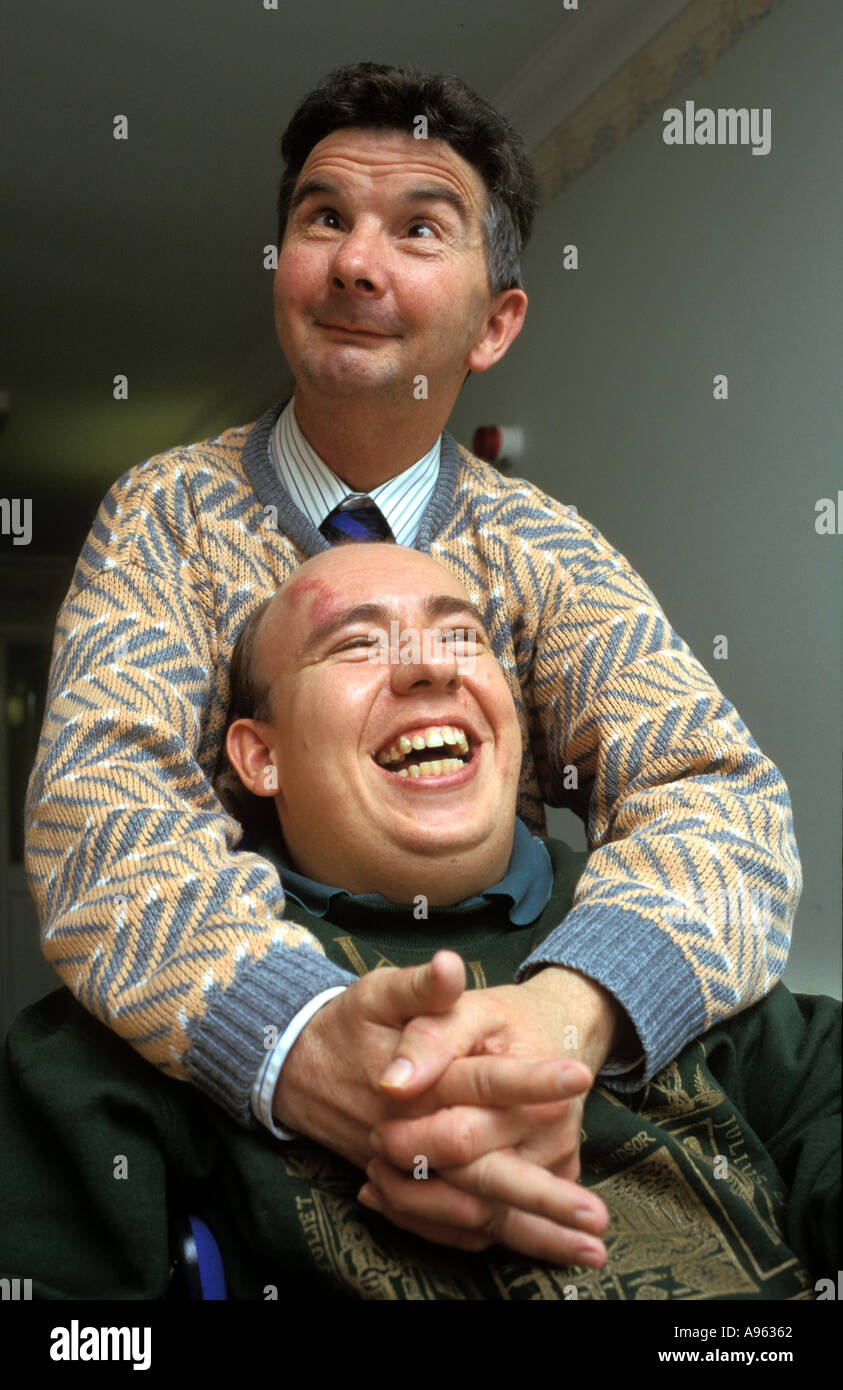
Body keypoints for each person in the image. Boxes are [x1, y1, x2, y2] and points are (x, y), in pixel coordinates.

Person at [23, 62, 801, 1248]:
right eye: (322, 217)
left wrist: (564, 1020)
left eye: (418, 227)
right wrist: (301, 1042)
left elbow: (719, 797)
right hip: (237, 1125)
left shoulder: (547, 547)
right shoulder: (165, 513)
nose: (354, 263)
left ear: (495, 322)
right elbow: (100, 803)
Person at [2, 545, 834, 1300]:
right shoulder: (146, 1027)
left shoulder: (685, 943)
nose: (430, 668)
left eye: (463, 637)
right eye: (356, 645)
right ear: (262, 756)